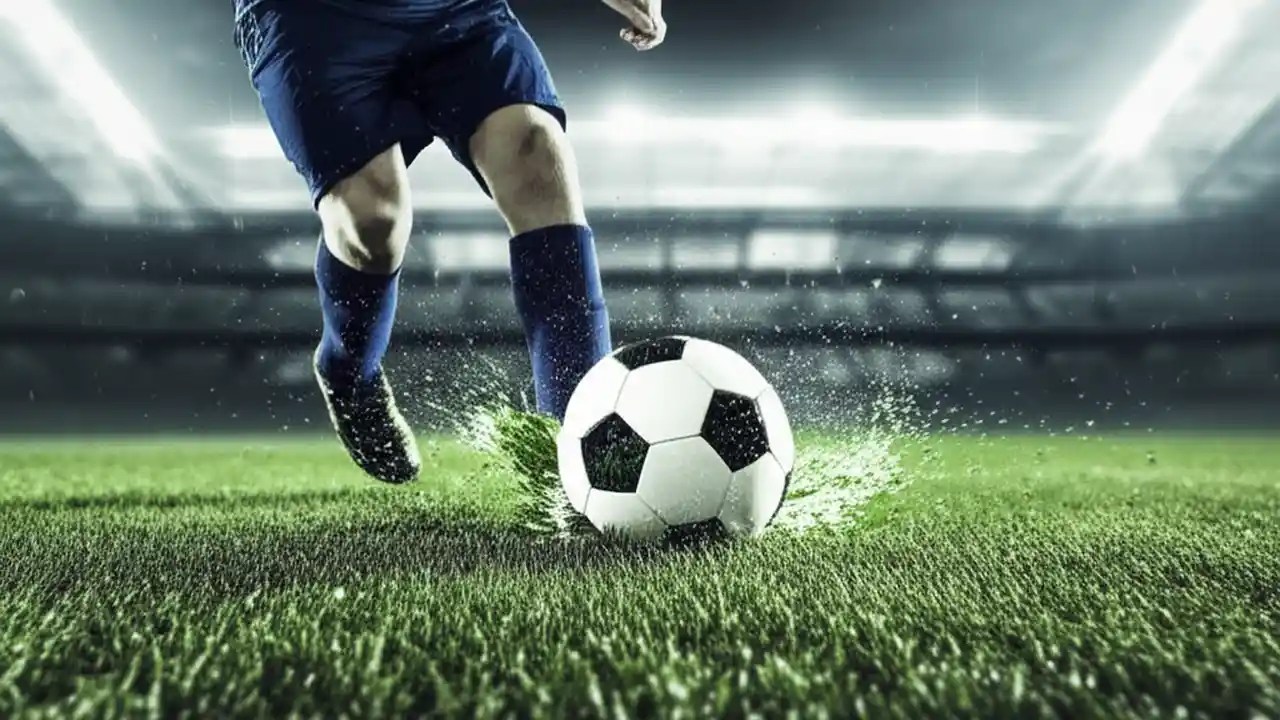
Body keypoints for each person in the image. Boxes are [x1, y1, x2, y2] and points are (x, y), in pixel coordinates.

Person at [231, 0, 666, 483]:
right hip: (314, 18)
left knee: (537, 155)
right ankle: (348, 372)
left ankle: (586, 456)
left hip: (452, 9)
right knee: (374, 218)